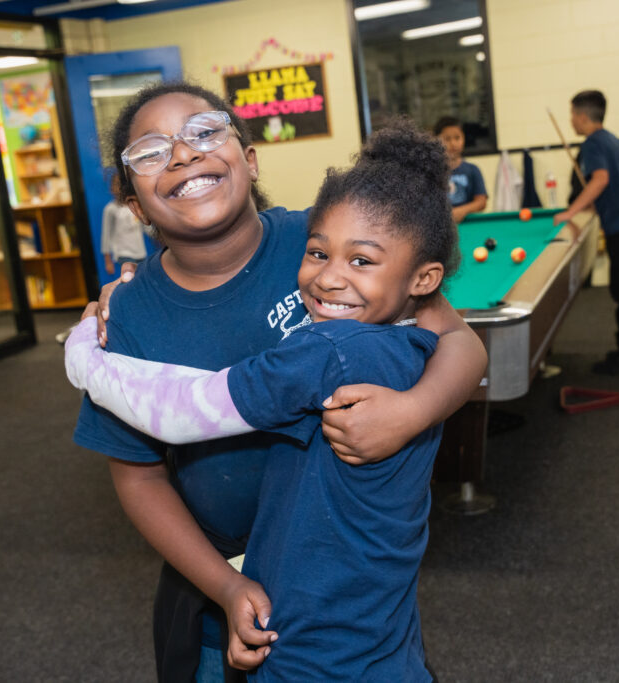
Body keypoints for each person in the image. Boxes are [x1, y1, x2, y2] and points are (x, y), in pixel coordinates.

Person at [72, 81, 487, 682]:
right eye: (151, 152)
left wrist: (413, 411)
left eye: (204, 132)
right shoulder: (128, 314)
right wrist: (225, 585)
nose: (183, 154)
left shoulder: (323, 240)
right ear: (133, 205)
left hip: (342, 583)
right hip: (218, 584)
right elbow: (139, 476)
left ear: (250, 159)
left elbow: (461, 342)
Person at [553, 90, 619, 375]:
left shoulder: (593, 144)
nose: (571, 120)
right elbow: (611, 185)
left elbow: (601, 179)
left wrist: (571, 211)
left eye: (573, 114)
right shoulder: (610, 139)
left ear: (583, 116)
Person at [433, 116, 487, 224]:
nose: (453, 143)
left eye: (457, 138)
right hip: (439, 225)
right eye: (447, 139)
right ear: (436, 141)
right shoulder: (431, 172)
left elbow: (481, 202)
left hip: (469, 224)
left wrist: (462, 211)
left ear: (464, 139)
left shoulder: (473, 170)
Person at [100, 173, 149, 275]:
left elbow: (146, 227)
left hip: (140, 253)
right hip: (124, 254)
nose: (119, 188)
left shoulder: (136, 206)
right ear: (111, 189)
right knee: (131, 278)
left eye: (121, 184)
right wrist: (108, 261)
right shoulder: (110, 209)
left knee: (143, 277)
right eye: (116, 185)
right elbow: (106, 235)